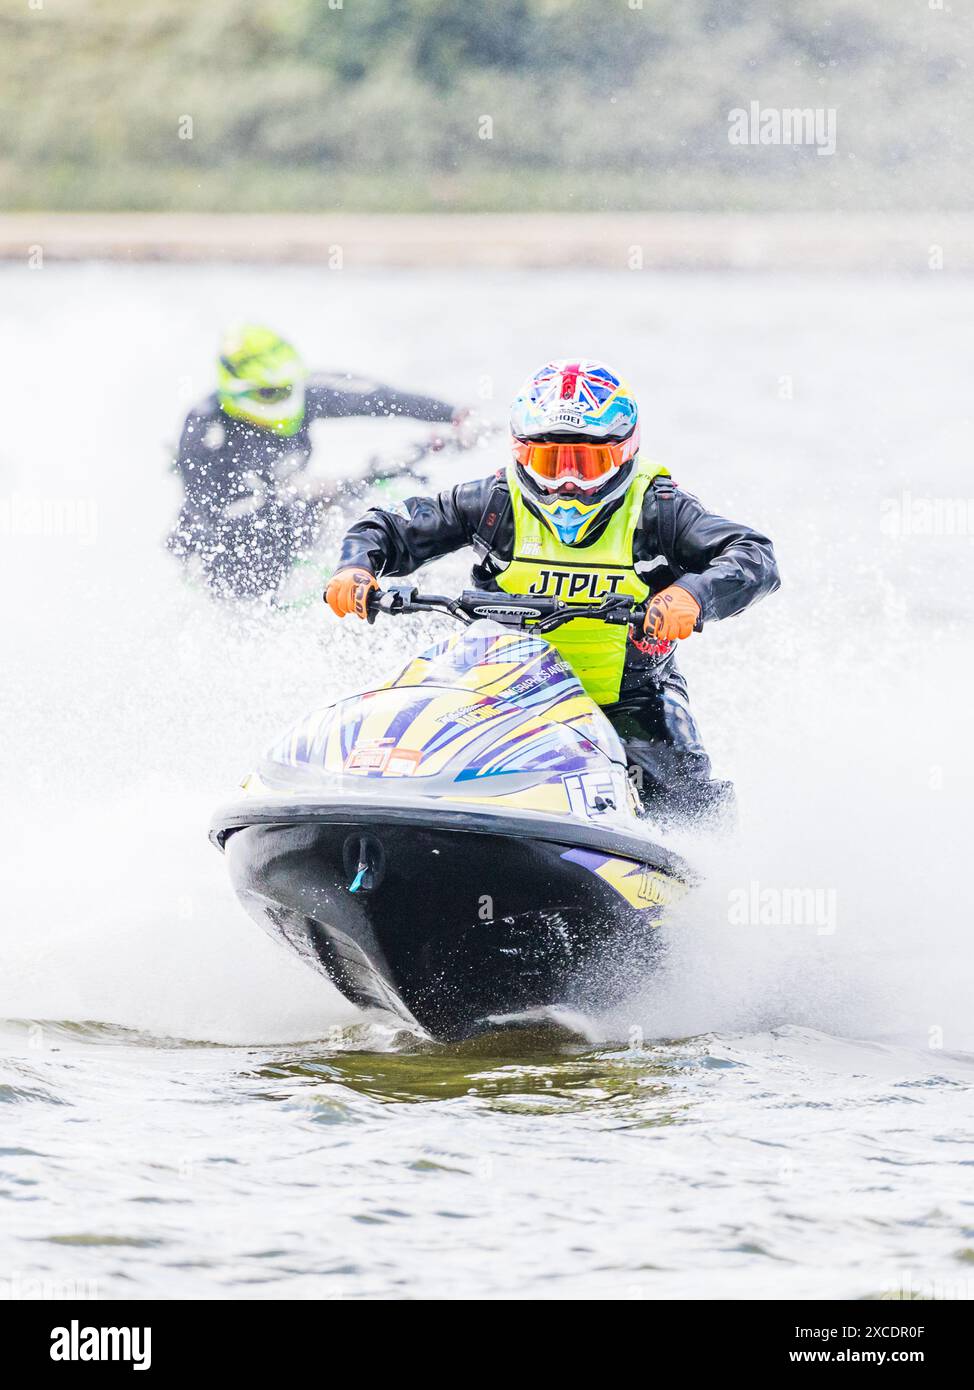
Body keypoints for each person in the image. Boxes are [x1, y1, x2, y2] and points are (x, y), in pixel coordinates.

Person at [325, 359, 780, 825]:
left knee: (685, 801)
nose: (566, 483)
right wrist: (356, 568)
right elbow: (388, 526)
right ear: (521, 453)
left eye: (585, 464)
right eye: (548, 462)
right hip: (498, 692)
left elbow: (754, 555)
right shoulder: (493, 501)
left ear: (623, 453)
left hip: (626, 699)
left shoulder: (660, 511)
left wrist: (692, 595)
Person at [168, 324, 471, 600]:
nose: (285, 398)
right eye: (271, 393)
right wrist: (293, 494)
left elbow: (375, 397)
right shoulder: (204, 429)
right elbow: (211, 509)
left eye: (289, 388)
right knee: (279, 525)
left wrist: (454, 415)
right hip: (224, 549)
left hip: (297, 509)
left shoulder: (303, 394)